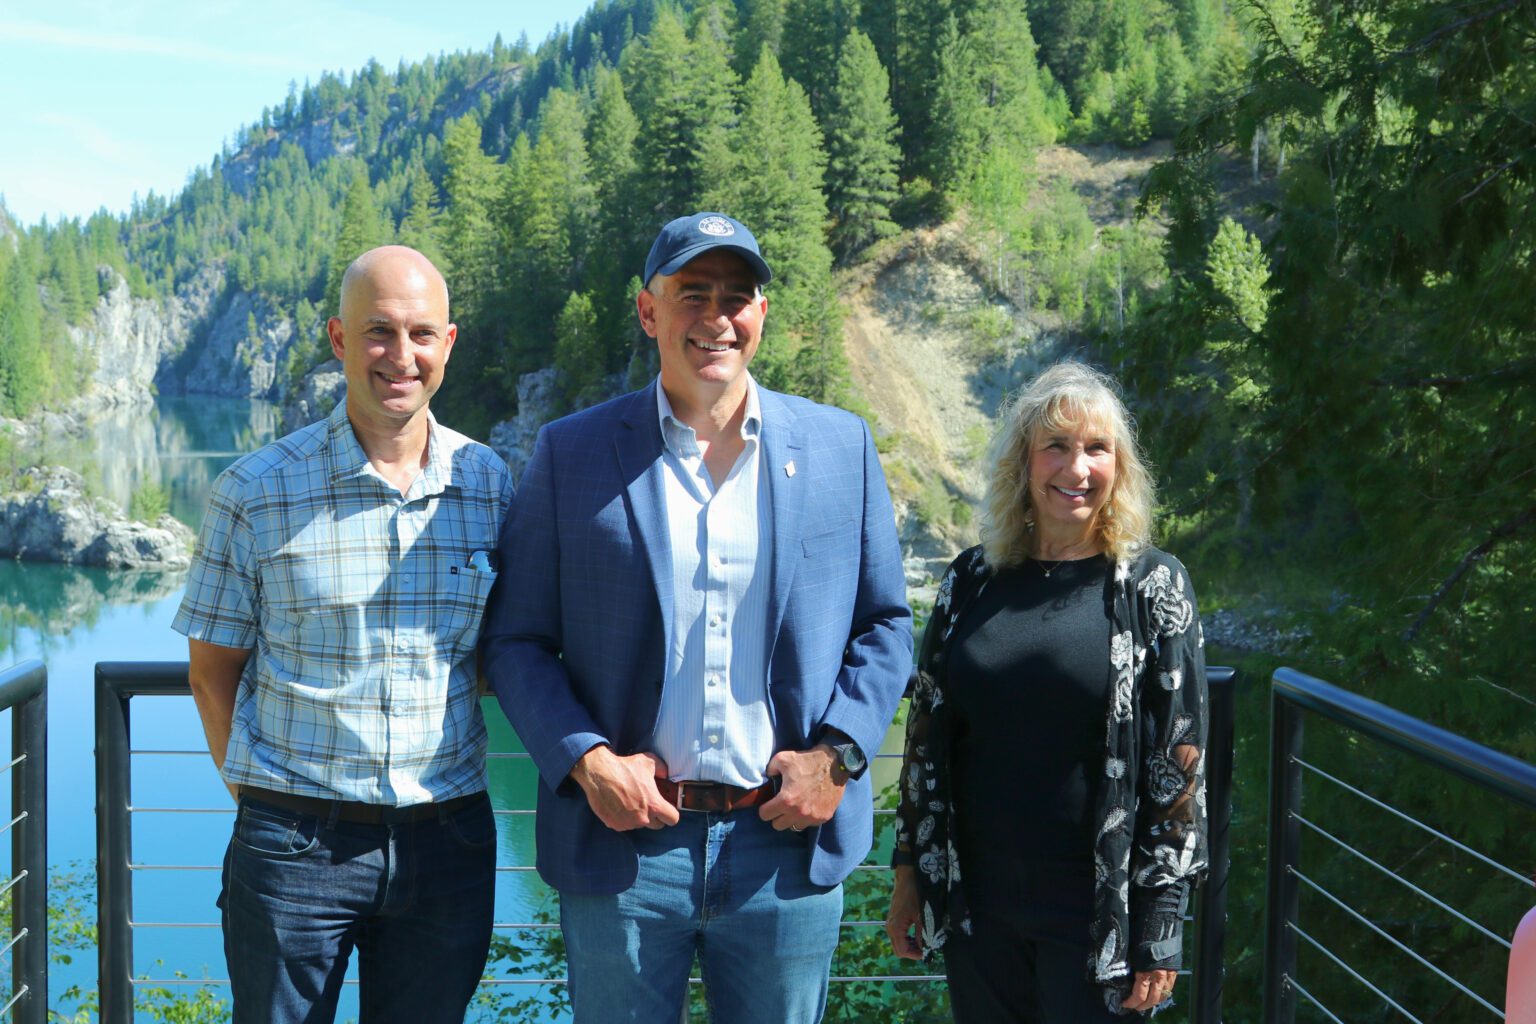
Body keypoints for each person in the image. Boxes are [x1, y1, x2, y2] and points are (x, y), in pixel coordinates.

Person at [481, 211, 912, 1023]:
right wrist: (586, 762)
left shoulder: (838, 447)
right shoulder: (571, 452)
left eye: (738, 297)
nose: (717, 318)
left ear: (761, 316)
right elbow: (517, 639)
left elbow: (885, 625)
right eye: (693, 295)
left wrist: (840, 757)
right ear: (649, 312)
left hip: (784, 847)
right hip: (624, 849)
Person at [172, 246, 513, 1024]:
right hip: (295, 846)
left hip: (449, 839)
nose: (402, 356)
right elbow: (211, 671)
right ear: (337, 339)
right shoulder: (255, 491)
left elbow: (498, 653)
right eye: (378, 332)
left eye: (422, 334)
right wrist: (265, 804)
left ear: (449, 343)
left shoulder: (489, 484)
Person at [884, 361, 1208, 1020]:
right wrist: (908, 874)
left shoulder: (1152, 587)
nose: (1076, 468)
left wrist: (1163, 921)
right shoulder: (971, 579)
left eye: (1096, 448)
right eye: (1056, 447)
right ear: (1024, 463)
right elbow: (924, 742)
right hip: (980, 911)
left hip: (1096, 921)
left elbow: (1179, 769)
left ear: (1119, 466)